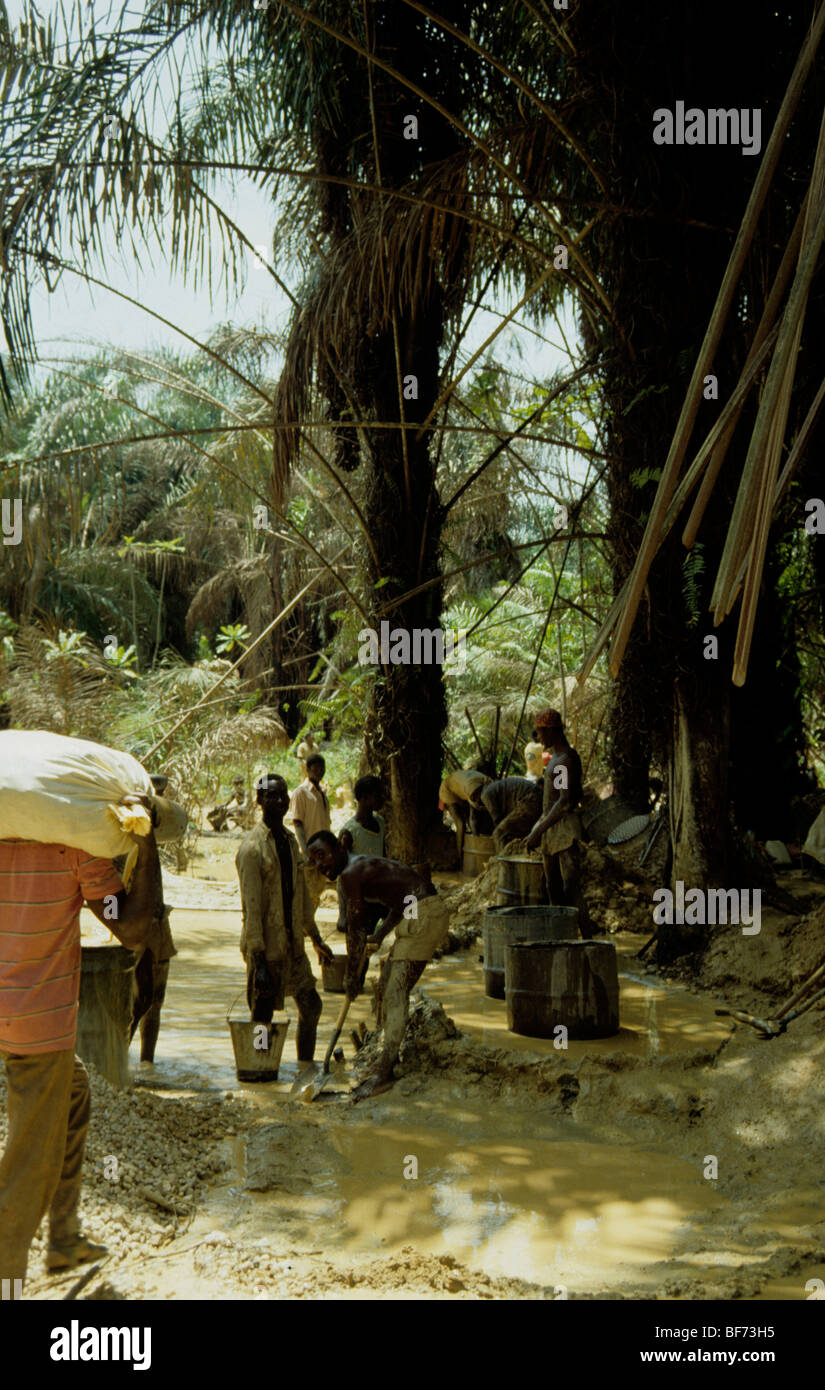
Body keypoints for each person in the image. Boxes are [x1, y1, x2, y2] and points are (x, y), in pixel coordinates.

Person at [0, 794, 163, 1288]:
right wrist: (147, 843)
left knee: (75, 1090)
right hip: (37, 1025)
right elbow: (129, 926)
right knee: (26, 1174)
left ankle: (65, 1238)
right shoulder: (74, 844)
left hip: (8, 1012)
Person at [306, 831, 449, 1101]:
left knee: (395, 992)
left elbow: (356, 929)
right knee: (385, 984)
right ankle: (387, 1058)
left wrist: (352, 977)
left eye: (322, 855)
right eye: (313, 861)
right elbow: (403, 900)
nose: (319, 865)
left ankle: (385, 1073)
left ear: (339, 848)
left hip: (426, 914)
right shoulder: (361, 866)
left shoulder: (350, 874)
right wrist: (381, 935)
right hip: (418, 911)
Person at [236, 774, 332, 1066]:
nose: (279, 801)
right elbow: (251, 909)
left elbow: (301, 898)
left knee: (311, 1006)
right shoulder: (252, 848)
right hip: (266, 948)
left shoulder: (290, 842)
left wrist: (316, 939)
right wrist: (259, 962)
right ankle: (259, 1069)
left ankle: (305, 1067)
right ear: (259, 800)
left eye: (283, 795)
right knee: (262, 1017)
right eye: (271, 795)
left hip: (293, 946)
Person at [524, 707, 595, 935]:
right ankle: (562, 935)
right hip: (551, 826)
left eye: (540, 732)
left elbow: (564, 801)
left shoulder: (564, 760)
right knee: (552, 886)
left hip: (563, 829)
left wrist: (538, 831)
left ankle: (587, 937)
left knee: (570, 887)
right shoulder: (556, 757)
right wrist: (539, 828)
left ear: (551, 731)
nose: (538, 738)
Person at [335, 775, 386, 934]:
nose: (383, 798)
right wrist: (343, 912)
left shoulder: (380, 822)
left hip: (378, 893)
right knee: (359, 939)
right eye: (378, 795)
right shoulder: (350, 832)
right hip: (359, 898)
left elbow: (383, 857)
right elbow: (342, 874)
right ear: (364, 798)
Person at [437, 767, 491, 861]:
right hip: (448, 790)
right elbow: (473, 815)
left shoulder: (488, 783)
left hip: (462, 789)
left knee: (474, 820)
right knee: (461, 824)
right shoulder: (472, 789)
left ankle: (472, 848)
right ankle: (460, 857)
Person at [480, 776, 543, 852]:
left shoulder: (485, 794)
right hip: (534, 799)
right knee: (515, 834)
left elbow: (497, 820)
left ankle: (502, 858)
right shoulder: (495, 787)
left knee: (499, 833)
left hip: (530, 800)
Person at [289, 754, 331, 857]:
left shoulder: (322, 792)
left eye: (322, 768)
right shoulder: (301, 792)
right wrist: (306, 852)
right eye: (316, 768)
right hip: (311, 851)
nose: (319, 771)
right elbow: (298, 824)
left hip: (324, 850)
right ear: (308, 769)